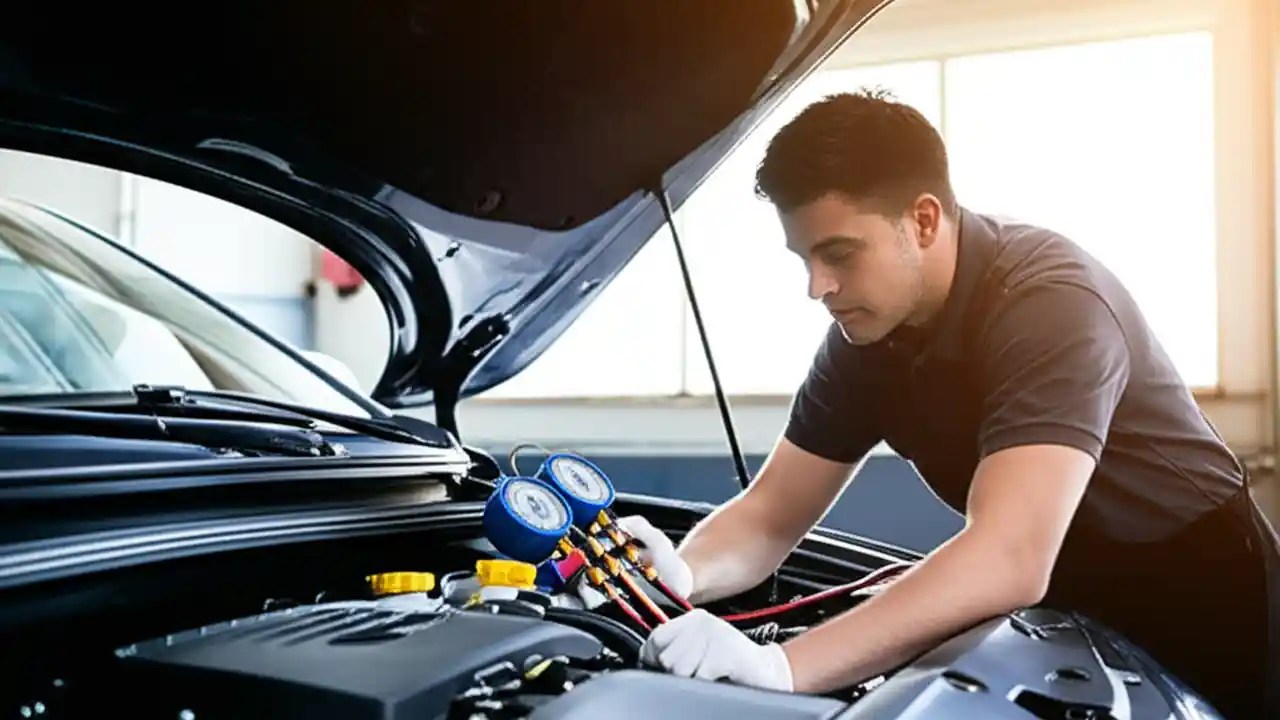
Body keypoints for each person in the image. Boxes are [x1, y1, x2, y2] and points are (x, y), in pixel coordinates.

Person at [618, 89, 1280, 719]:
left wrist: (784, 669)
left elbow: (1010, 556)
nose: (818, 287)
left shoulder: (1052, 303)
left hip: (1205, 593)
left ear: (925, 220)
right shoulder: (865, 340)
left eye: (838, 254)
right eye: (805, 258)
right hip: (1066, 592)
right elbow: (767, 518)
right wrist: (683, 571)